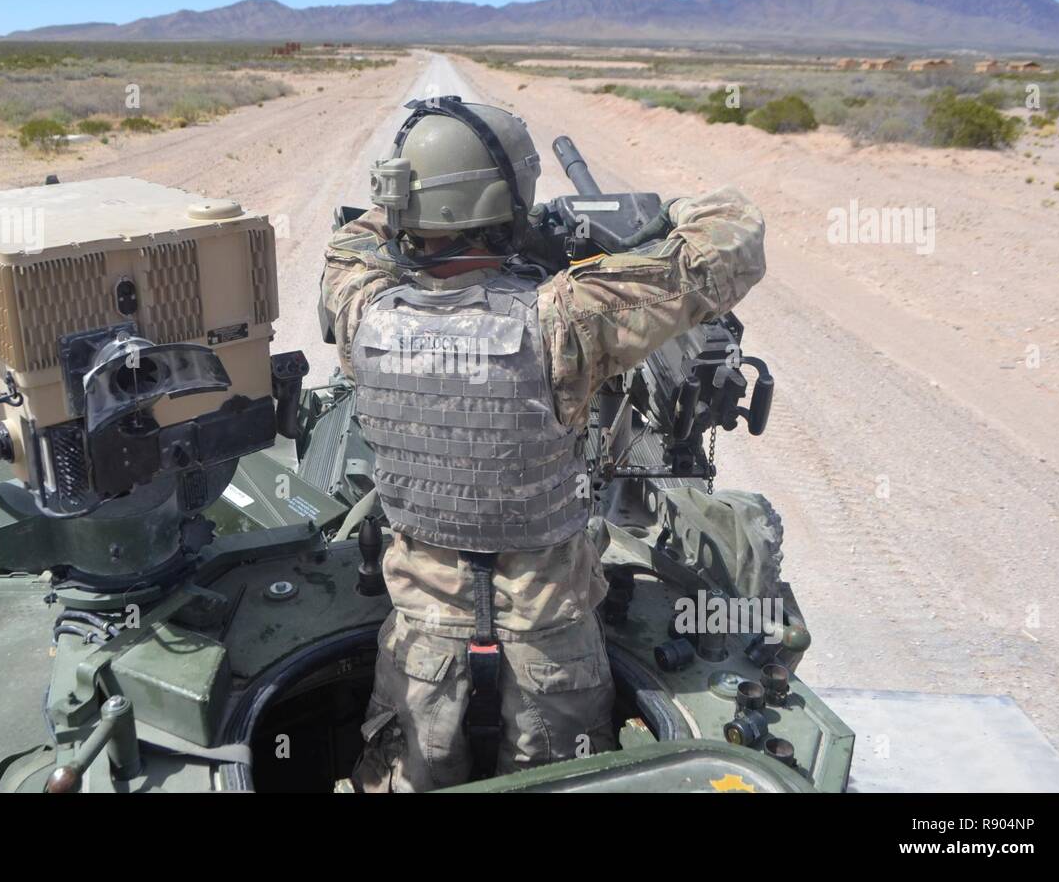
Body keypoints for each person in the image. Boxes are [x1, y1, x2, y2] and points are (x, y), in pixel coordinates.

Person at [320, 96, 766, 792]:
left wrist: (401, 208)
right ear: (509, 202)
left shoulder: (359, 309)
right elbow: (732, 244)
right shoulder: (563, 317)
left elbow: (352, 245)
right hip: (551, 641)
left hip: (420, 646)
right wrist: (662, 213)